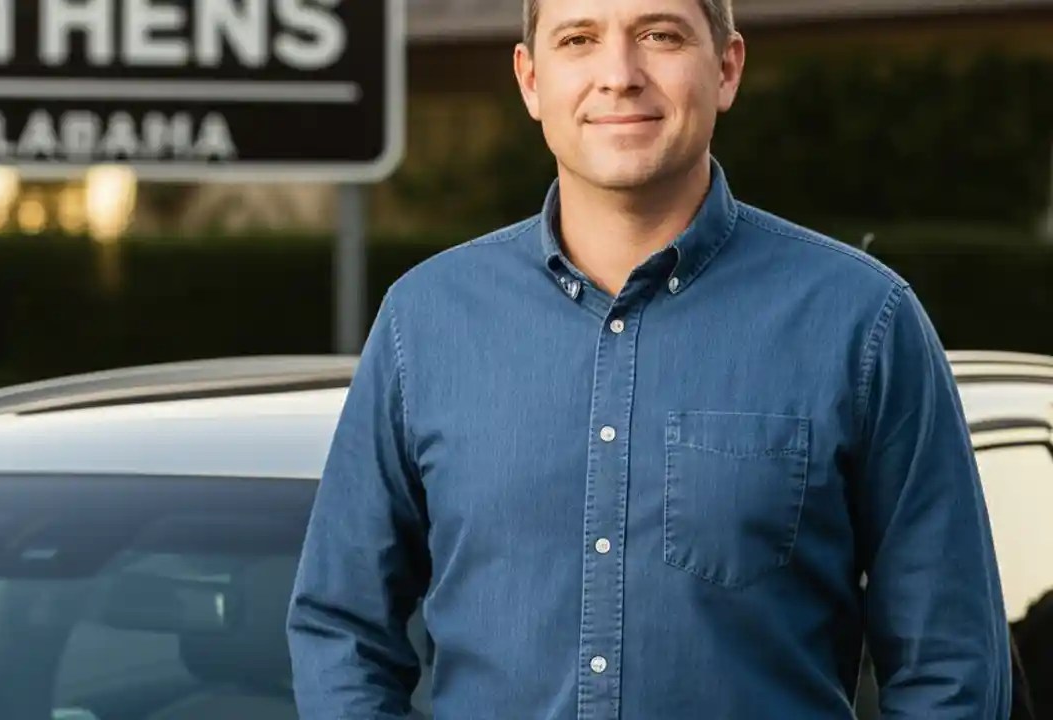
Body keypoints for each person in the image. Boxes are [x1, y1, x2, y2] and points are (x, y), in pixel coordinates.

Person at [285, 0, 1013, 717]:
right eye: (579, 39)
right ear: (531, 80)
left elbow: (948, 662)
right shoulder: (425, 321)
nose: (619, 74)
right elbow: (341, 629)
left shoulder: (863, 325)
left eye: (659, 34)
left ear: (726, 69)